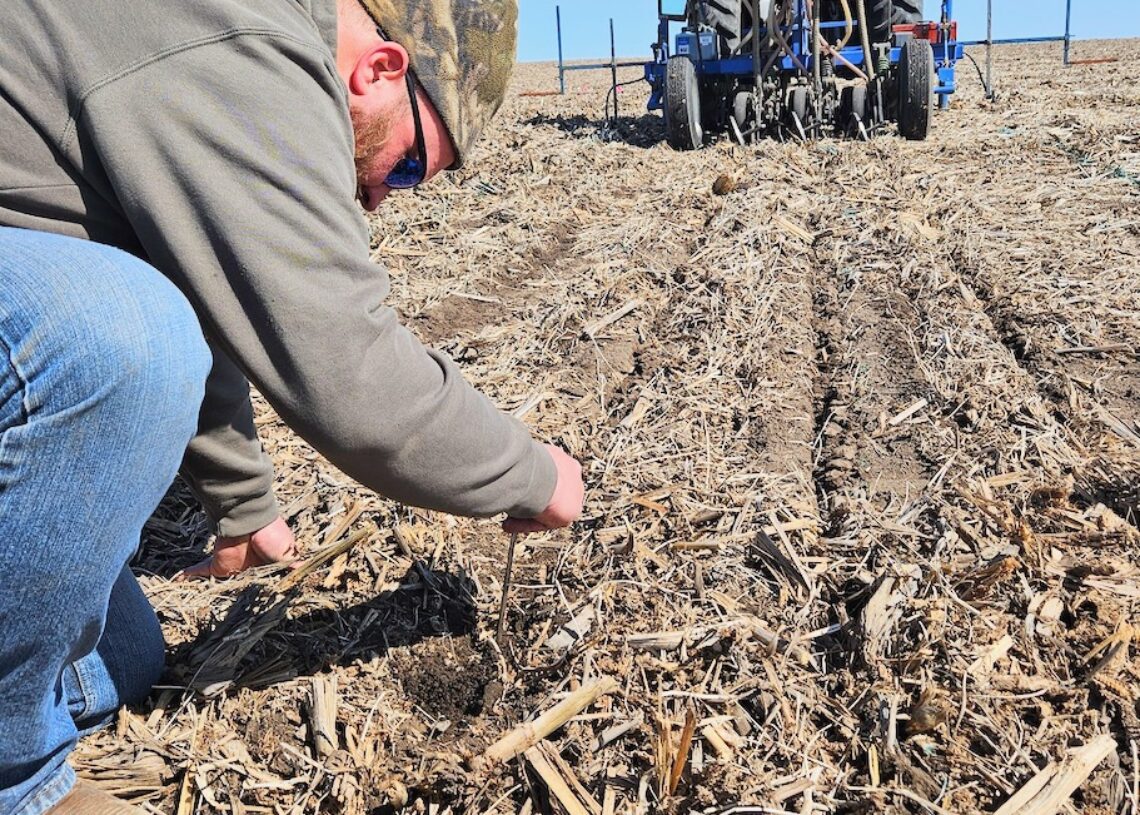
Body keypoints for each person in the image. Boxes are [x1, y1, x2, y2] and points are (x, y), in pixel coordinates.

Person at [0, 0, 584, 812]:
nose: (383, 199)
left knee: (117, 660)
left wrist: (241, 504)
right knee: (119, 335)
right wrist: (534, 474)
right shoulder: (253, 44)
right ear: (379, 68)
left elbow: (183, 271)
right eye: (411, 167)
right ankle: (15, 783)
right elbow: (349, 371)